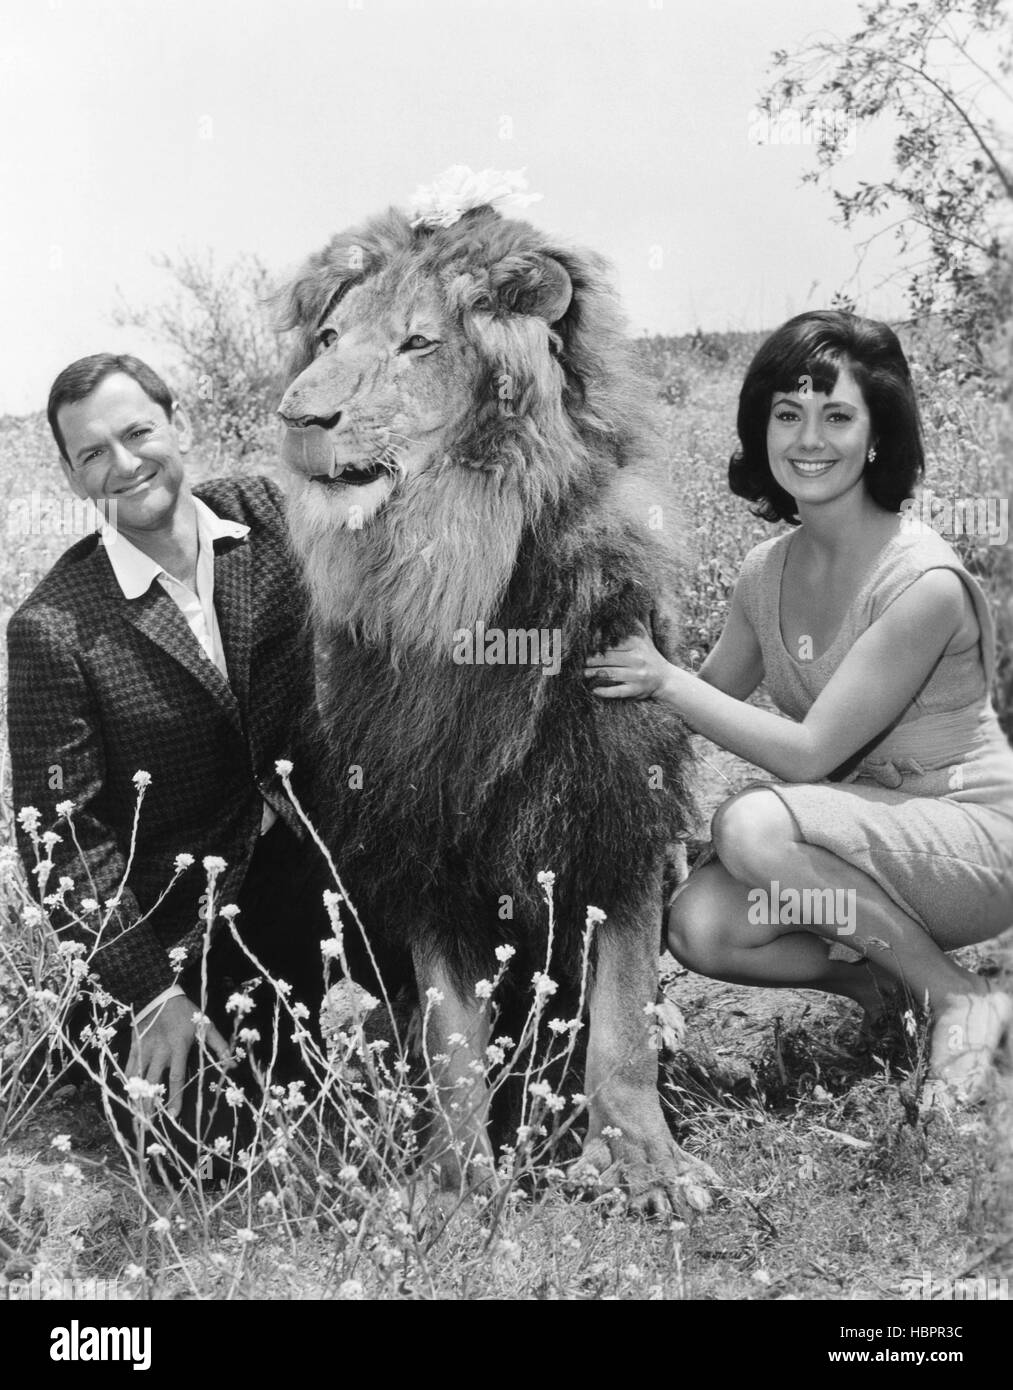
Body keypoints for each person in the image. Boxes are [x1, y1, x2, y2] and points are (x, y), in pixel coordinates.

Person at [585, 310, 1013, 1105]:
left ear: (877, 436)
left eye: (836, 415)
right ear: (761, 431)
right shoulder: (763, 572)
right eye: (787, 414)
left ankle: (955, 993)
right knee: (700, 926)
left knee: (751, 825)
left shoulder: (922, 582)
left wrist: (662, 679)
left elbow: (808, 753)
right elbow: (699, 703)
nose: (807, 438)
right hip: (861, 843)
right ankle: (881, 989)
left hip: (972, 846)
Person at [7, 353, 331, 1174]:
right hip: (188, 922)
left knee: (506, 1023)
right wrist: (151, 993)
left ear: (176, 423)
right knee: (204, 1152)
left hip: (333, 857)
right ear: (74, 479)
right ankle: (105, 1030)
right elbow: (64, 837)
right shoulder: (53, 627)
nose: (123, 464)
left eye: (137, 431)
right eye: (91, 454)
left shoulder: (270, 515)